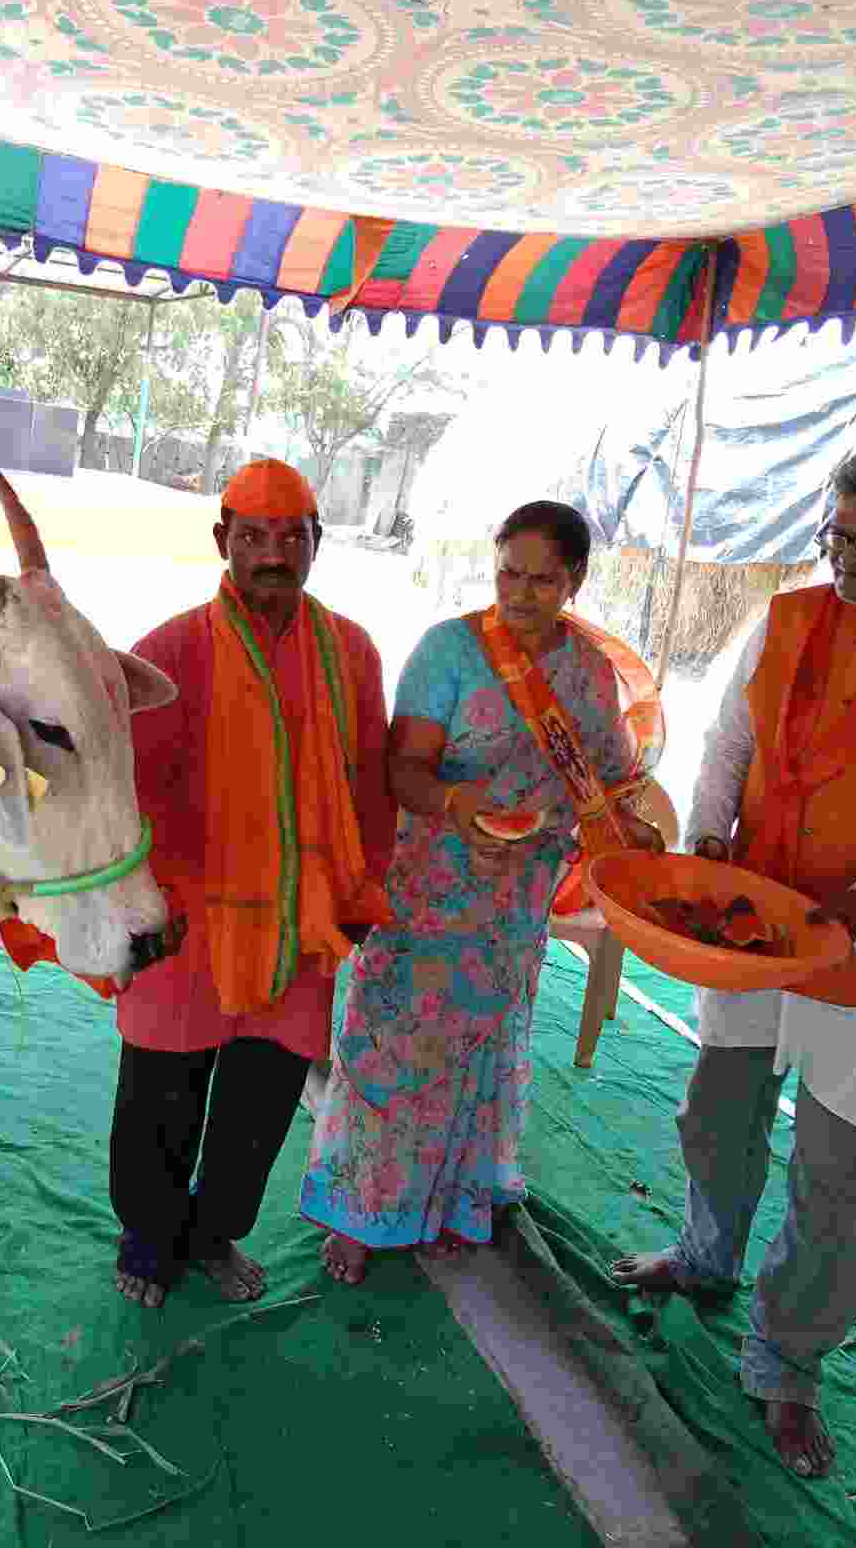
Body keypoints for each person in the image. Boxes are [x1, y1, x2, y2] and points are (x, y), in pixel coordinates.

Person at [301, 501, 664, 1284]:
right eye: (508, 571)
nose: (520, 592)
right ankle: (363, 1210)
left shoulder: (591, 673)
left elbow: (600, 780)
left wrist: (624, 831)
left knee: (482, 1047)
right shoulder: (451, 652)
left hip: (517, 896)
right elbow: (403, 771)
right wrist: (460, 807)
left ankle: (451, 1199)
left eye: (542, 578)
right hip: (429, 886)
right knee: (397, 1045)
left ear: (576, 581)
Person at [611, 444, 856, 1482]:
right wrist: (713, 833)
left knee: (842, 1173)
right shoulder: (789, 617)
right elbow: (729, 741)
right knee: (719, 1109)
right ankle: (709, 1257)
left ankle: (787, 1363)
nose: (849, 563)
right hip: (756, 922)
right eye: (840, 538)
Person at [110, 458, 397, 1309]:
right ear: (221, 544)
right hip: (190, 925)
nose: (273, 554)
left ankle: (212, 1235)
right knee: (161, 1096)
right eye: (253, 538)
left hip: (300, 922)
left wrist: (363, 894)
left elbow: (370, 785)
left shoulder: (351, 652)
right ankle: (149, 1237)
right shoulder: (165, 652)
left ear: (317, 544)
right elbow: (123, 797)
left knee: (258, 1108)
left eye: (291, 538)